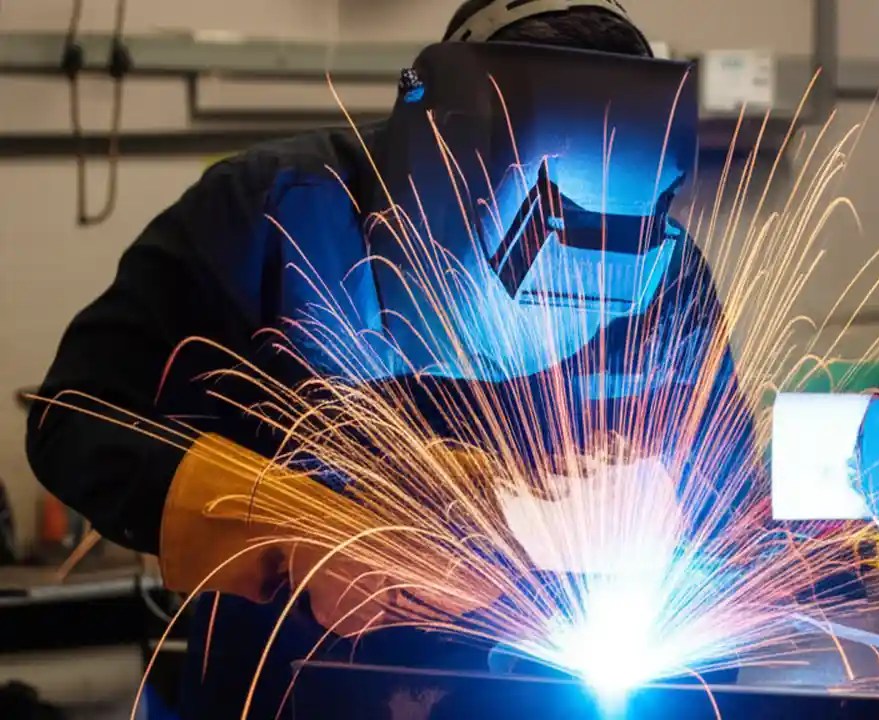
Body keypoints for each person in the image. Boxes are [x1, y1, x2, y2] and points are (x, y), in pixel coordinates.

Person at [26, 1, 759, 718]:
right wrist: (295, 533)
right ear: (445, 152)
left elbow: (731, 506)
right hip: (294, 700)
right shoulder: (276, 214)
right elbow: (74, 421)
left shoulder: (672, 275)